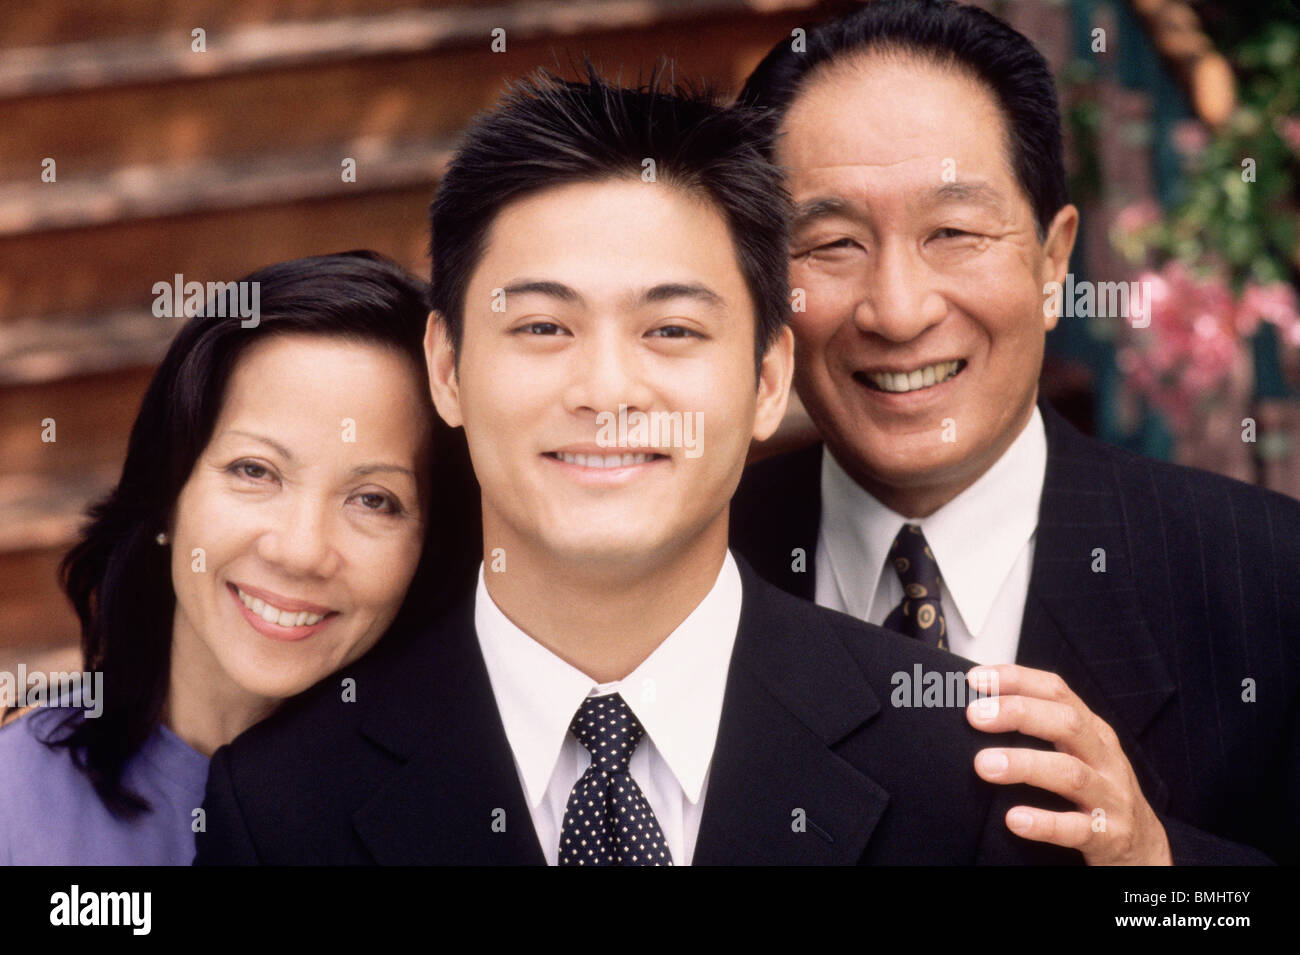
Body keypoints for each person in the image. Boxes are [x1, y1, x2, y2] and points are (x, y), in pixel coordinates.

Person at [194, 68, 1077, 866]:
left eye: (671, 330)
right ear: (449, 367)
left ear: (768, 378)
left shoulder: (968, 768)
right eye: (543, 326)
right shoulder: (279, 808)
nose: (606, 388)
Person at [730, 0, 1298, 864]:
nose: (899, 310)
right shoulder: (697, 566)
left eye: (953, 232)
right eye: (833, 242)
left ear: (1052, 259)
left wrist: (1158, 873)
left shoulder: (1267, 583)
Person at [0, 251, 477, 864]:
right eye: (256, 470)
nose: (302, 549)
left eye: (374, 500)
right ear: (168, 492)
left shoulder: (462, 817)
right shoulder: (17, 801)